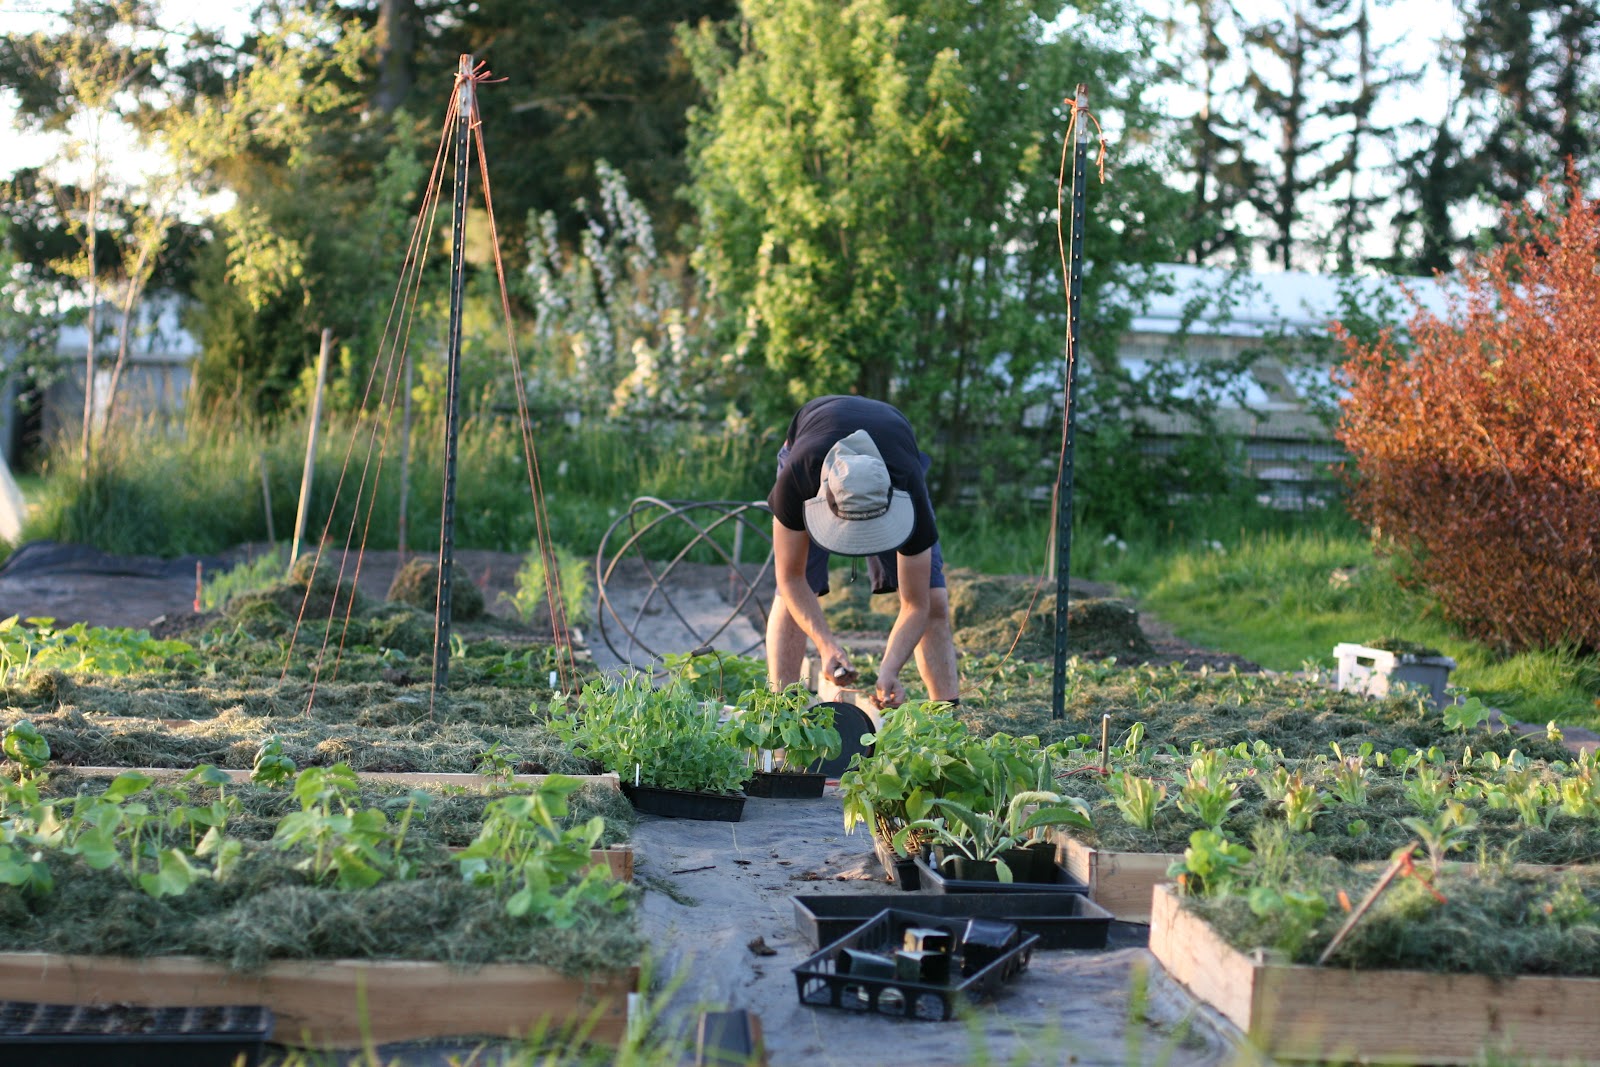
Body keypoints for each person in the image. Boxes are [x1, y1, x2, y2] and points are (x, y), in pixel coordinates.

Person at [765, 395, 959, 710]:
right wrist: (827, 648)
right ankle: (782, 716)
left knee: (936, 601)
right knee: (792, 594)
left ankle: (946, 724)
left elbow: (916, 604)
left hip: (894, 453)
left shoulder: (907, 486)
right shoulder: (798, 476)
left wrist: (890, 668)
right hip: (811, 446)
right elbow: (790, 578)